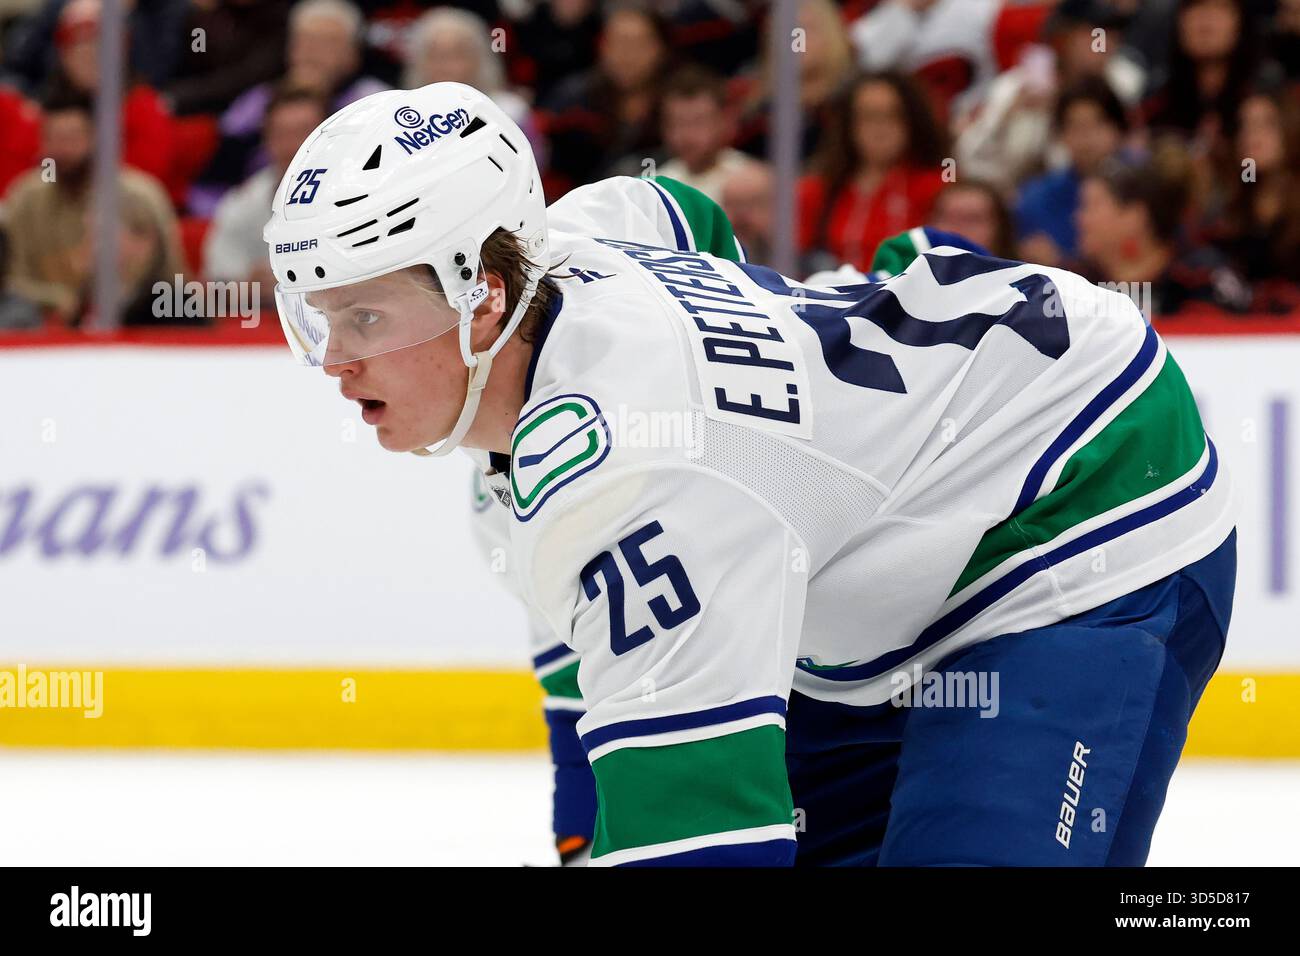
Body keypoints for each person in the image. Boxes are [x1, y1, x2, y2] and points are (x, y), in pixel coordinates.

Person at [265, 82, 1237, 866]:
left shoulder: (644, 483)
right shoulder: (565, 243)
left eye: (365, 317)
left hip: (1084, 481)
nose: (332, 360)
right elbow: (681, 212)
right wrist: (580, 835)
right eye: (315, 317)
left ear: (481, 301)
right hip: (902, 519)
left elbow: (704, 844)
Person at [1076, 144, 1253, 318]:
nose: (1080, 219)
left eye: (1091, 206)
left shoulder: (1201, 279)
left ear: (1135, 216)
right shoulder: (1075, 287)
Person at [204, 85, 327, 285]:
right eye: (282, 134)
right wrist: (249, 286)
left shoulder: (363, 197)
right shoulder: (242, 204)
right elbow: (215, 283)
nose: (293, 145)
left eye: (304, 132)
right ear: (267, 140)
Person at [655, 66, 749, 204]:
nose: (686, 135)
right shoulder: (656, 187)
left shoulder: (751, 182)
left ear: (724, 121)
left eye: (698, 122)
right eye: (677, 123)